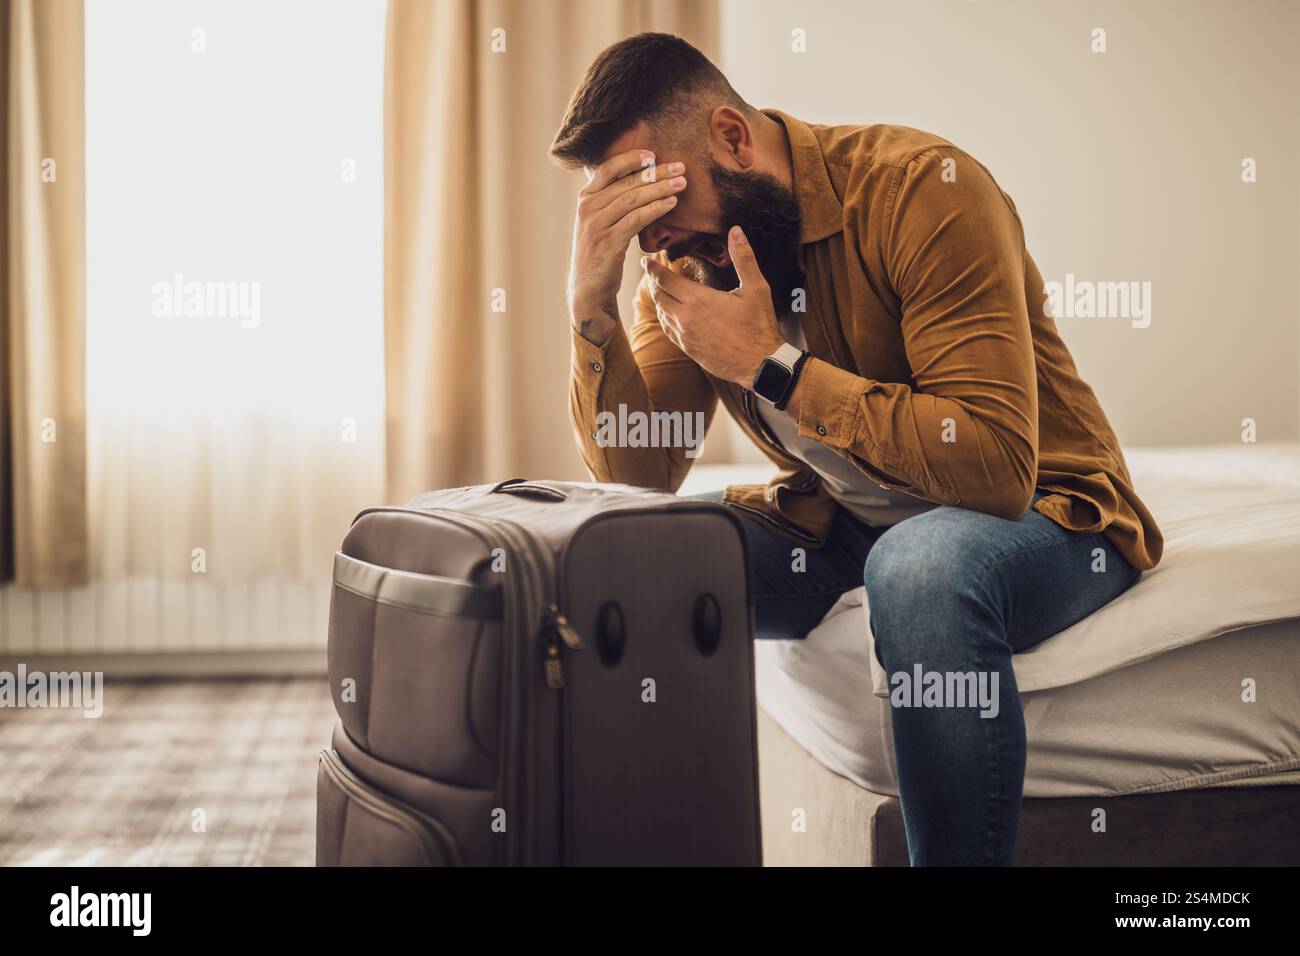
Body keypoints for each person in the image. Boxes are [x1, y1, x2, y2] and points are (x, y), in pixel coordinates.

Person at [551, 32, 1162, 866]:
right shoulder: (682, 260)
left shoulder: (923, 191)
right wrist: (590, 302)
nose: (658, 245)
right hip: (838, 520)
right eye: (632, 221)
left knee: (919, 569)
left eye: (661, 200)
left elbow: (993, 463)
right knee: (625, 555)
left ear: (732, 138)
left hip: (1048, 510)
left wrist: (774, 368)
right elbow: (641, 474)